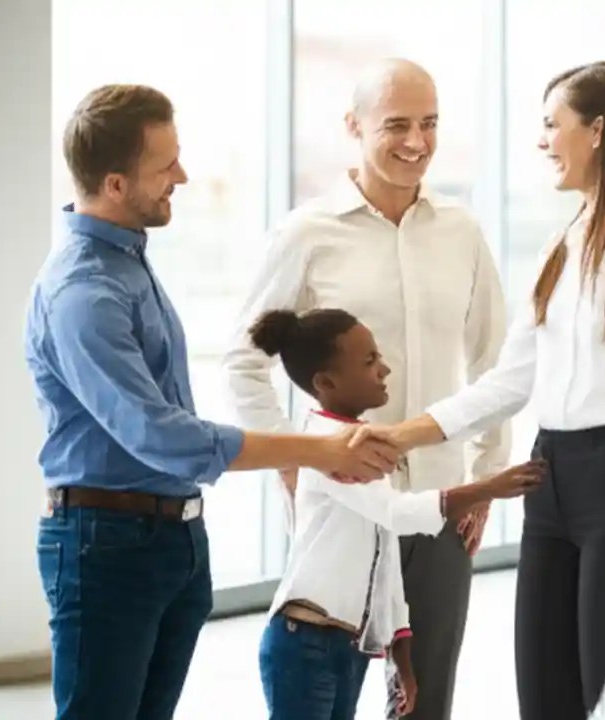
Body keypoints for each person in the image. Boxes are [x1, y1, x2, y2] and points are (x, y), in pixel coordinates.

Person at [24, 84, 400, 720]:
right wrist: (316, 449)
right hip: (106, 547)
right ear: (115, 184)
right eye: (164, 166)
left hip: (166, 539)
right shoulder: (84, 293)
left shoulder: (129, 265)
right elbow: (160, 435)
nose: (183, 176)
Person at [358, 61, 605, 719]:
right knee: (542, 688)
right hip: (550, 477)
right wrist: (400, 434)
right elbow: (510, 379)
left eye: (553, 125)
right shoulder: (568, 239)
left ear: (599, 131)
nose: (543, 140)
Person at [222, 58, 509, 720]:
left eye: (430, 124)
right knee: (329, 695)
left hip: (437, 505)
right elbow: (244, 358)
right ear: (353, 127)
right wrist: (295, 458)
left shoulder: (461, 230)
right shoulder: (308, 233)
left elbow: (495, 359)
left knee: (425, 698)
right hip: (344, 515)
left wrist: (489, 473)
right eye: (397, 125)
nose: (417, 142)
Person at [247, 308, 545, 720]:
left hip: (346, 646)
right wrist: (489, 487)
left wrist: (403, 664)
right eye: (369, 362)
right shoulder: (327, 446)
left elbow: (385, 565)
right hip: (304, 644)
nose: (385, 369)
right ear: (326, 383)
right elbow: (398, 515)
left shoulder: (354, 440)